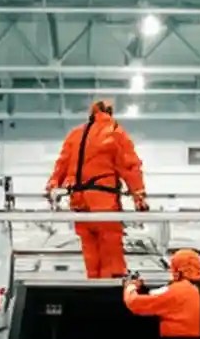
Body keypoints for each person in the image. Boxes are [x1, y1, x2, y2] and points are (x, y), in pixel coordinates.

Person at [45, 99, 149, 279]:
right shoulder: (115, 132)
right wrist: (138, 196)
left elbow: (61, 164)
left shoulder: (75, 134)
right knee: (110, 248)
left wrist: (52, 186)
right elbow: (130, 167)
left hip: (78, 200)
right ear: (110, 112)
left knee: (90, 249)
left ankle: (93, 284)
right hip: (103, 200)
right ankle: (111, 290)